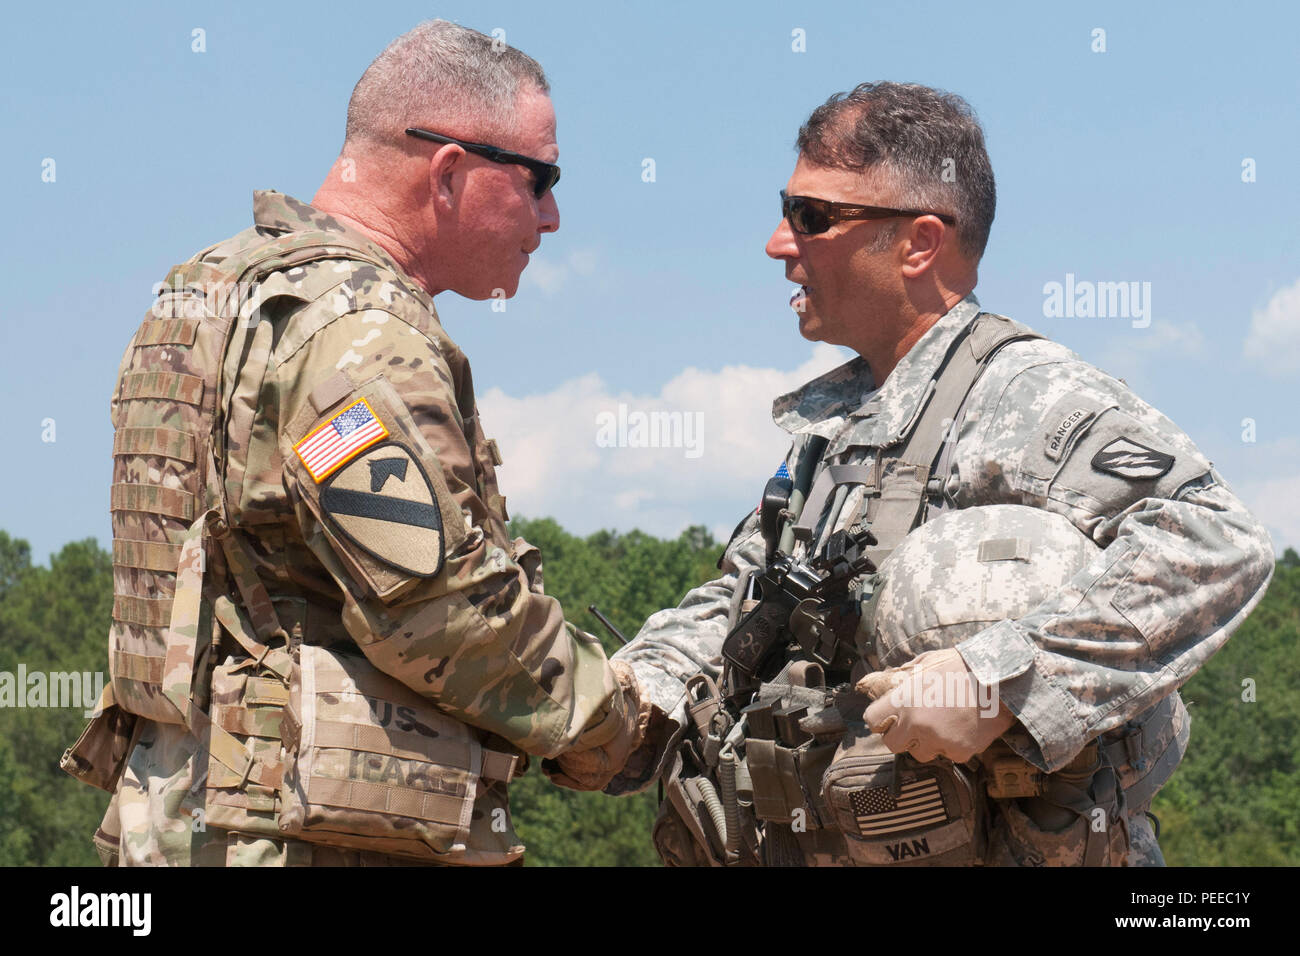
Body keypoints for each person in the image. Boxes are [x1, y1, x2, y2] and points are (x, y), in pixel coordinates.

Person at [553, 82, 1275, 866]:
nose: (778, 243)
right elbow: (747, 603)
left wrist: (995, 680)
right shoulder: (835, 430)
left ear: (919, 244)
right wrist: (623, 702)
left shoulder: (1023, 393)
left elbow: (1220, 542)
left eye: (813, 217)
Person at [61, 19, 648, 867]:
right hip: (302, 831)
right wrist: (614, 723)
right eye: (539, 178)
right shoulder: (358, 333)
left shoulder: (207, 288)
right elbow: (435, 609)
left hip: (183, 812)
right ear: (449, 171)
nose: (551, 216)